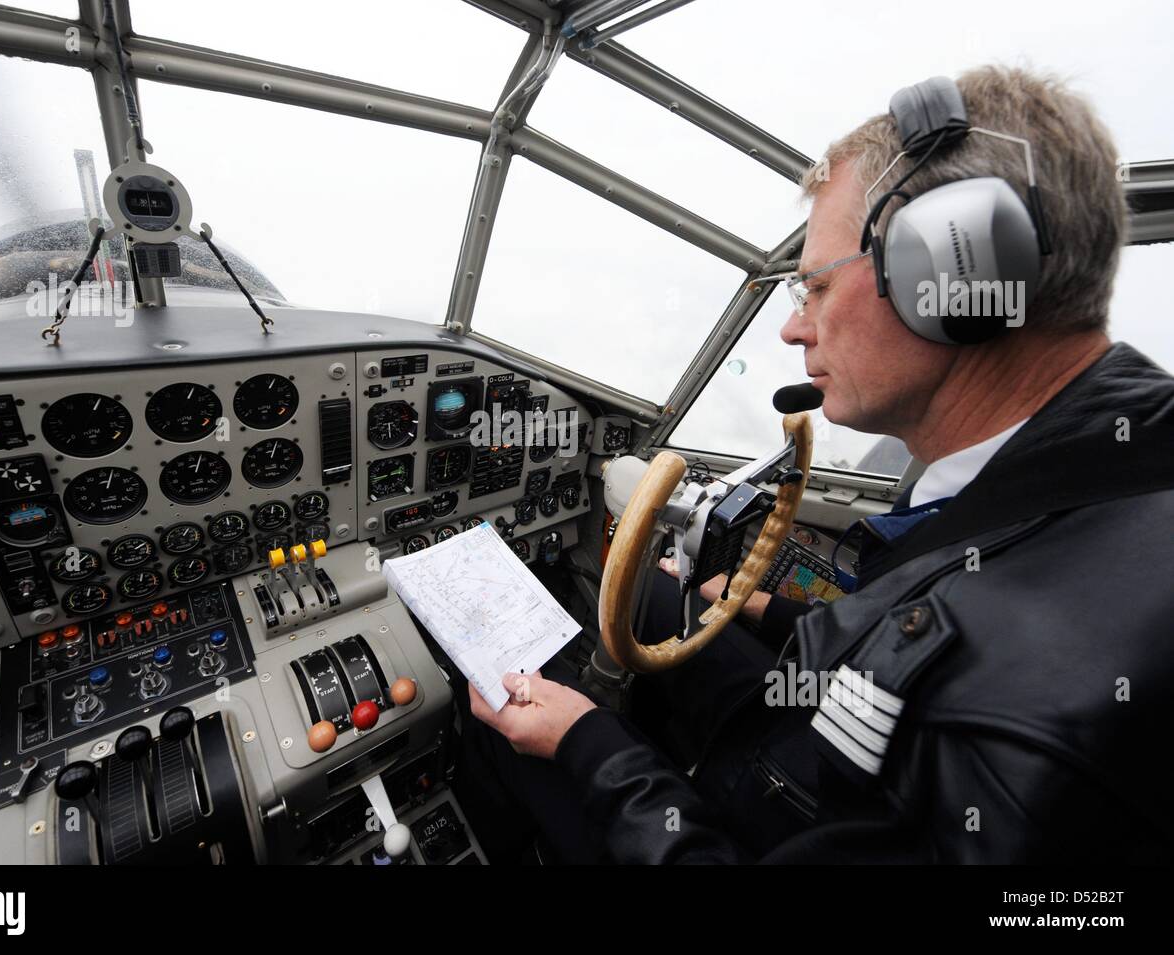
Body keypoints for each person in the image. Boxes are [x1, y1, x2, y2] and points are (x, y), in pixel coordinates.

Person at [459, 65, 1174, 863]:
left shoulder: (1015, 744)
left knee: (486, 703)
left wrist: (589, 741)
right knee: (657, 594)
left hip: (776, 814)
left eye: (813, 288)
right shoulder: (1074, 466)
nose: (794, 332)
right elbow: (931, 625)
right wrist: (778, 613)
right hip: (819, 737)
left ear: (955, 271)